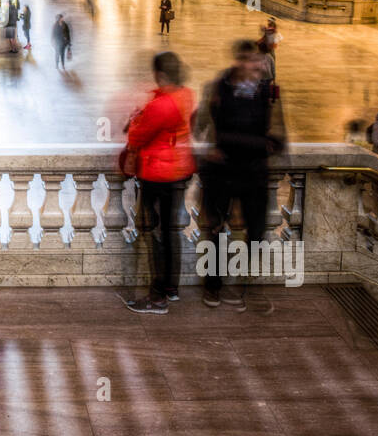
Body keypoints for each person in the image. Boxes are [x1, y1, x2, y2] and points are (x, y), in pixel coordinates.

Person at [194, 39, 286, 311]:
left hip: (254, 173)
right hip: (222, 173)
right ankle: (213, 286)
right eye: (249, 61)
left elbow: (279, 135)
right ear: (237, 61)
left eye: (257, 62)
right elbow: (202, 128)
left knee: (256, 231)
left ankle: (244, 285)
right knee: (216, 231)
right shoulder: (216, 89)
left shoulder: (269, 94)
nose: (255, 67)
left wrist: (238, 142)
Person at [121, 51, 197, 313]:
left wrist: (134, 120)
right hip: (180, 168)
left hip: (159, 172)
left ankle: (157, 298)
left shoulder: (162, 105)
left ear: (161, 74)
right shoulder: (185, 95)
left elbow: (138, 135)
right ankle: (171, 288)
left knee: (154, 232)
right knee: (169, 231)